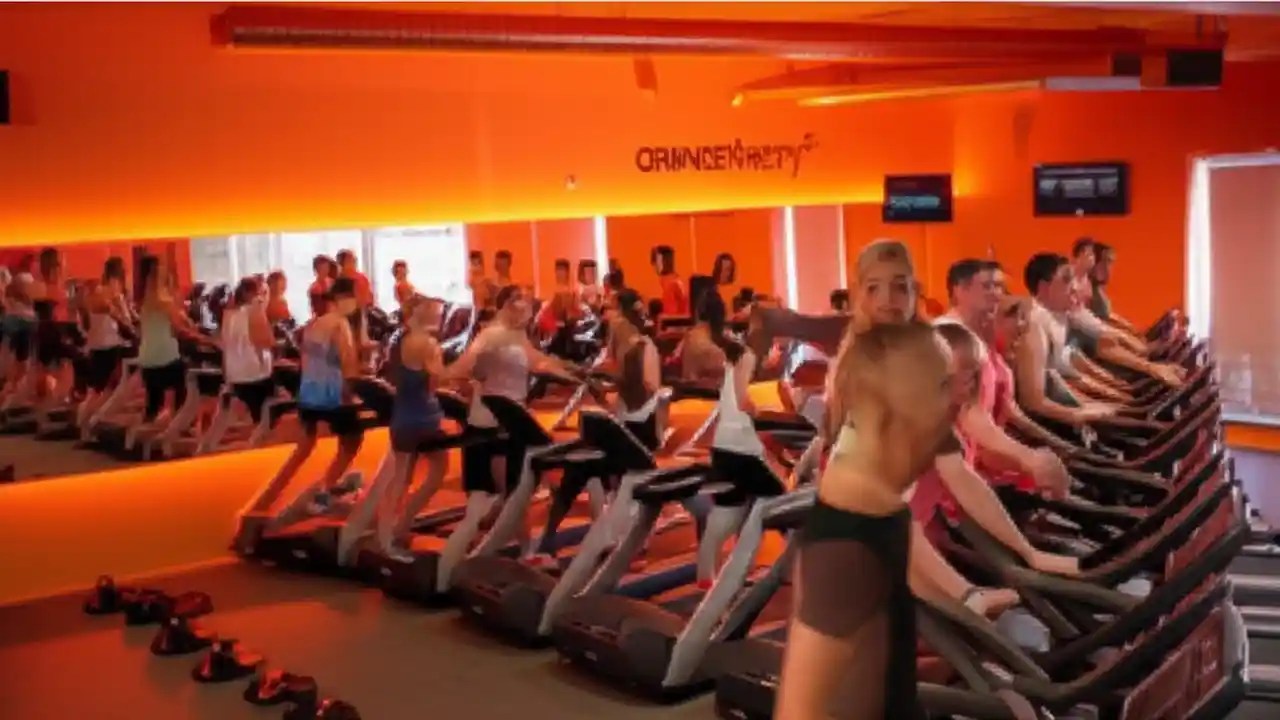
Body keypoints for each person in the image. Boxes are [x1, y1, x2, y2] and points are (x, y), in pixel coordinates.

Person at [777, 321, 957, 720]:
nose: (954, 404)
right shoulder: (846, 550)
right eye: (941, 387)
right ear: (896, 411)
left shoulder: (884, 505)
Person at [936, 259, 1070, 499]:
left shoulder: (976, 335)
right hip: (958, 474)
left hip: (980, 463)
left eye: (999, 286)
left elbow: (1004, 410)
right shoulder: (948, 338)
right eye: (987, 286)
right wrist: (1028, 458)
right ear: (959, 289)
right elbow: (971, 416)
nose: (996, 294)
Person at [443, 285, 577, 503]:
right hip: (491, 421)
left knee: (508, 494)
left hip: (508, 418)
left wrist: (576, 374)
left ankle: (512, 513)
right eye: (521, 302)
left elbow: (539, 362)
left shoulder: (517, 336)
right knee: (494, 497)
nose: (528, 310)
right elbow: (465, 368)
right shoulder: (492, 335)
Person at [263, 278, 365, 527]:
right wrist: (352, 393)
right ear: (342, 299)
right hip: (331, 397)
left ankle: (269, 497)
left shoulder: (312, 325)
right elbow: (349, 364)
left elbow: (307, 362)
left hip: (308, 395)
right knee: (353, 440)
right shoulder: (340, 324)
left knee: (305, 446)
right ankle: (323, 494)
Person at [379, 294, 450, 563]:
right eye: (435, 312)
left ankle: (390, 535)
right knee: (438, 470)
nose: (439, 316)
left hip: (402, 417)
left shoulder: (398, 340)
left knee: (400, 479)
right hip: (425, 418)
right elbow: (436, 383)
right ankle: (402, 525)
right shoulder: (430, 344)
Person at [136, 254, 208, 432]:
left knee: (154, 401)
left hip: (146, 359)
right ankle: (181, 426)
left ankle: (146, 431)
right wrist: (205, 339)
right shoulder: (165, 303)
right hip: (165, 359)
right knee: (186, 386)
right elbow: (180, 330)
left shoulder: (144, 302)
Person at [79, 257, 134, 427]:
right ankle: (92, 423)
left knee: (94, 391)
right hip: (109, 346)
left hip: (96, 345)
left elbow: (86, 321)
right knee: (107, 390)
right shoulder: (113, 294)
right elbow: (125, 320)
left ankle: (84, 426)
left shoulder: (94, 293)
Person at [221, 276, 277, 425]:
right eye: (261, 293)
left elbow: (225, 345)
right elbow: (266, 342)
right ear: (250, 293)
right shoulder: (254, 310)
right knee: (265, 420)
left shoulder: (228, 314)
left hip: (235, 374)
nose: (263, 298)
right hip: (255, 373)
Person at [651, 245, 689, 317]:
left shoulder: (671, 285)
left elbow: (670, 317)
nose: (654, 265)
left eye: (656, 261)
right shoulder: (678, 282)